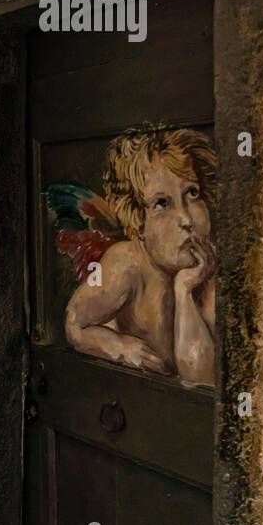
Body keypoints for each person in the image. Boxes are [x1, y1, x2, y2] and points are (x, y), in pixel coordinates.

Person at [61, 128, 217, 386]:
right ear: (138, 222)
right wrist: (119, 347)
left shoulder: (210, 266)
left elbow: (201, 382)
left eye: (192, 193)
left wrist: (184, 290)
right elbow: (75, 323)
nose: (187, 220)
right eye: (162, 204)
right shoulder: (126, 263)